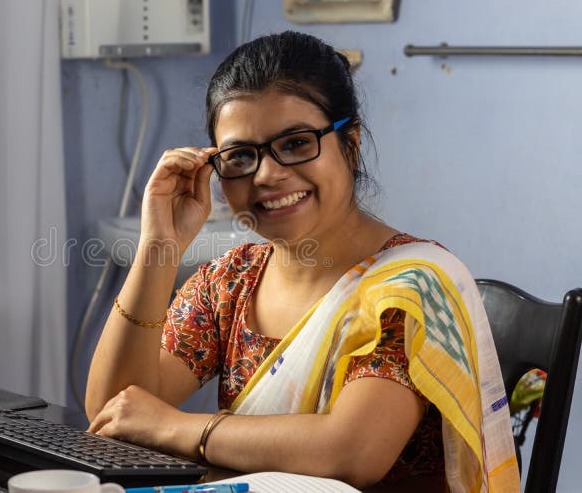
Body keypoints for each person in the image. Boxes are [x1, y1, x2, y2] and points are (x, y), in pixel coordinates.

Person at [85, 31, 519, 492]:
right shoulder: (231, 282)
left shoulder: (410, 287)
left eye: (295, 143)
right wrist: (160, 246)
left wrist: (174, 428)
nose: (268, 175)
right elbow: (116, 411)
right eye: (241, 157)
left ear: (349, 144)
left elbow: (352, 451)